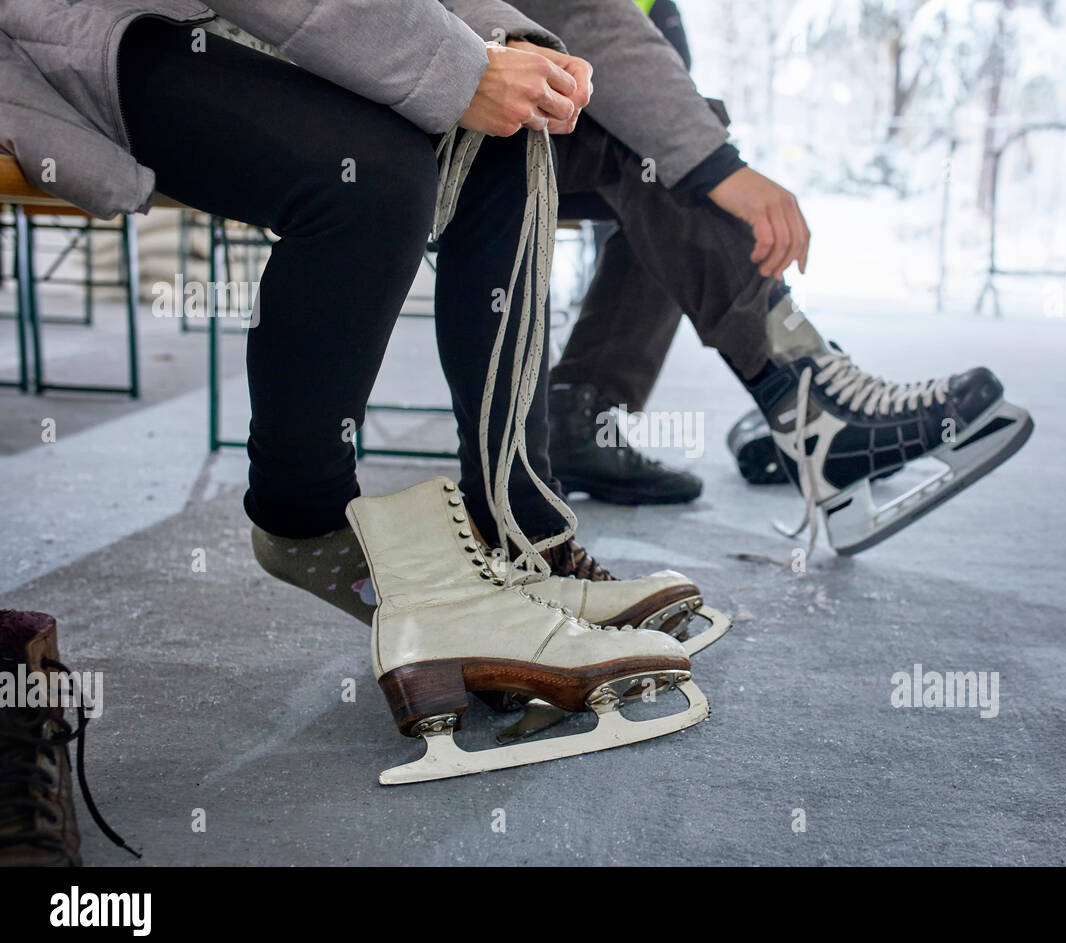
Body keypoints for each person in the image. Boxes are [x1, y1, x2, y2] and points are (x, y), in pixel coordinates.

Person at [0, 0, 721, 855]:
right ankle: (306, 515)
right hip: (86, 25)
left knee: (503, 134)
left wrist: (499, 39)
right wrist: (459, 67)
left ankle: (517, 535)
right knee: (371, 177)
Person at [503, 0, 1035, 553]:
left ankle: (581, 416)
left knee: (661, 140)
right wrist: (717, 167)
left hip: (525, 116)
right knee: (661, 146)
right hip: (445, 109)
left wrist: (701, 153)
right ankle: (813, 412)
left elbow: (649, 79)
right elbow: (584, 17)